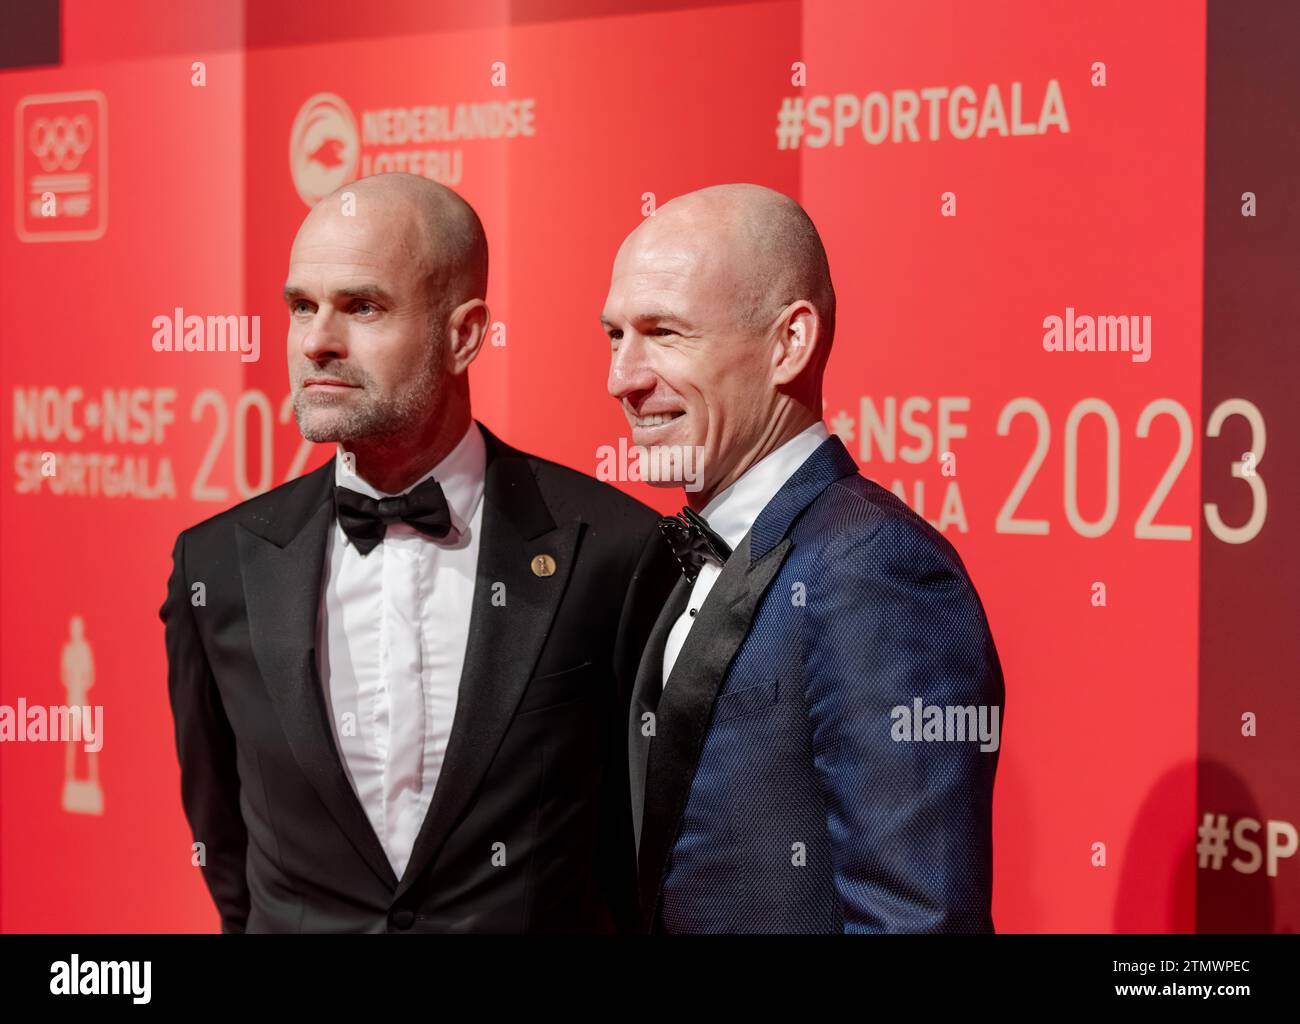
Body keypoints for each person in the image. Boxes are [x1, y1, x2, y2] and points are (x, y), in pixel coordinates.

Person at [162, 172, 667, 933]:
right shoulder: (217, 567)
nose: (318, 341)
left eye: (363, 307)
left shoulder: (614, 550)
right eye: (302, 307)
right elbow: (223, 845)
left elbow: (640, 852)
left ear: (463, 335)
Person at [602, 183, 1005, 932]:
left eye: (664, 333)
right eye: (614, 336)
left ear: (789, 343)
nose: (622, 377)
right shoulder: (687, 550)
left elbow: (916, 915)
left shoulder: (876, 568)